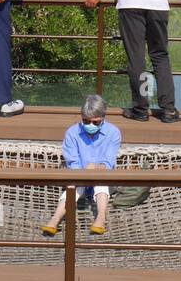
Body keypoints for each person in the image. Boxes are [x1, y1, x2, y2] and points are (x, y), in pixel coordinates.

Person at [41, 94, 121, 237]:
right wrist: (85, 171)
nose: (90, 125)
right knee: (74, 185)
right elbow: (73, 163)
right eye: (86, 121)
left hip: (103, 177)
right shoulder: (72, 133)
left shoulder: (113, 132)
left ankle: (101, 218)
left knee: (100, 182)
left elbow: (108, 163)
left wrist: (95, 169)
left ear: (103, 117)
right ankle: (55, 219)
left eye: (95, 122)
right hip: (78, 176)